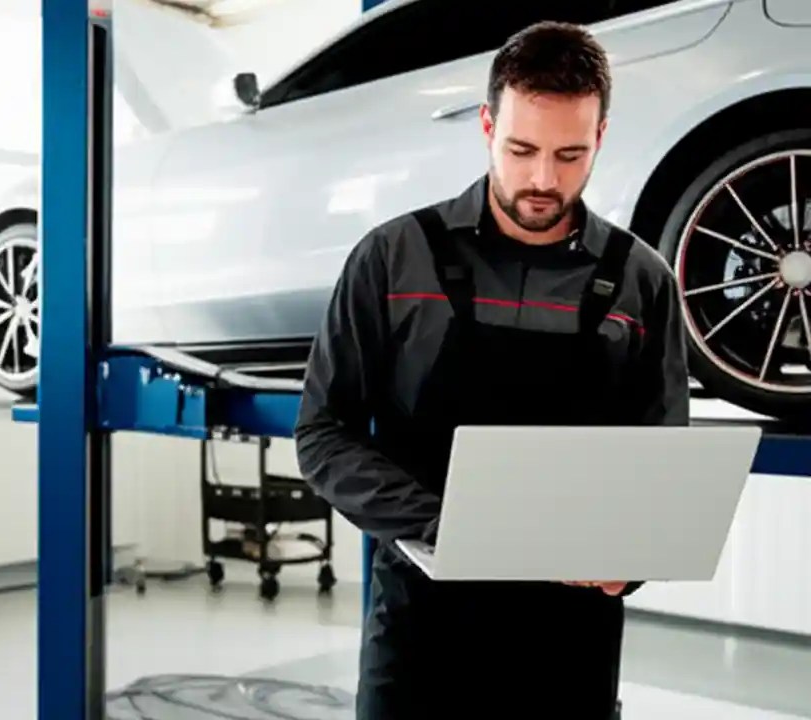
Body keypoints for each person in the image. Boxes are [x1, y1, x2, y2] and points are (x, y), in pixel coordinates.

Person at [293, 20, 690, 720]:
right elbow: (323, 434)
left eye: (570, 154)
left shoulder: (642, 281)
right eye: (521, 149)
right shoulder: (391, 259)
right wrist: (455, 527)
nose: (544, 180)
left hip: (571, 644)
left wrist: (634, 559)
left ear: (600, 138)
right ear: (485, 126)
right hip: (420, 633)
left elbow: (662, 463)